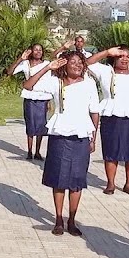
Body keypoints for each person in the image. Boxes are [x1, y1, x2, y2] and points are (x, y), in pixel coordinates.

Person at [22, 50, 100, 236]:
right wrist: (48, 67)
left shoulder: (89, 85)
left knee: (76, 180)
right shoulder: (55, 83)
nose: (77, 65)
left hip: (81, 136)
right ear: (64, 64)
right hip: (59, 135)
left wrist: (93, 137)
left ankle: (71, 220)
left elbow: (95, 112)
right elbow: (28, 85)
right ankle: (58, 219)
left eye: (80, 62)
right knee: (59, 179)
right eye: (73, 62)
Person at [87, 46, 129, 195]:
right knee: (111, 150)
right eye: (120, 56)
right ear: (114, 58)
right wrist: (107, 52)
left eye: (127, 56)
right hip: (111, 116)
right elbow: (87, 63)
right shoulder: (105, 72)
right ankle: (110, 183)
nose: (124, 59)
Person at [8, 44, 51, 160]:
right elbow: (10, 72)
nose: (38, 52)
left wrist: (50, 100)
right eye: (35, 50)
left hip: (43, 97)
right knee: (30, 124)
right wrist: (20, 59)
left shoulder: (46, 64)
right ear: (31, 51)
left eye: (40, 50)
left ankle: (37, 151)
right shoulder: (25, 64)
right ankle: (30, 151)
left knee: (41, 125)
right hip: (29, 96)